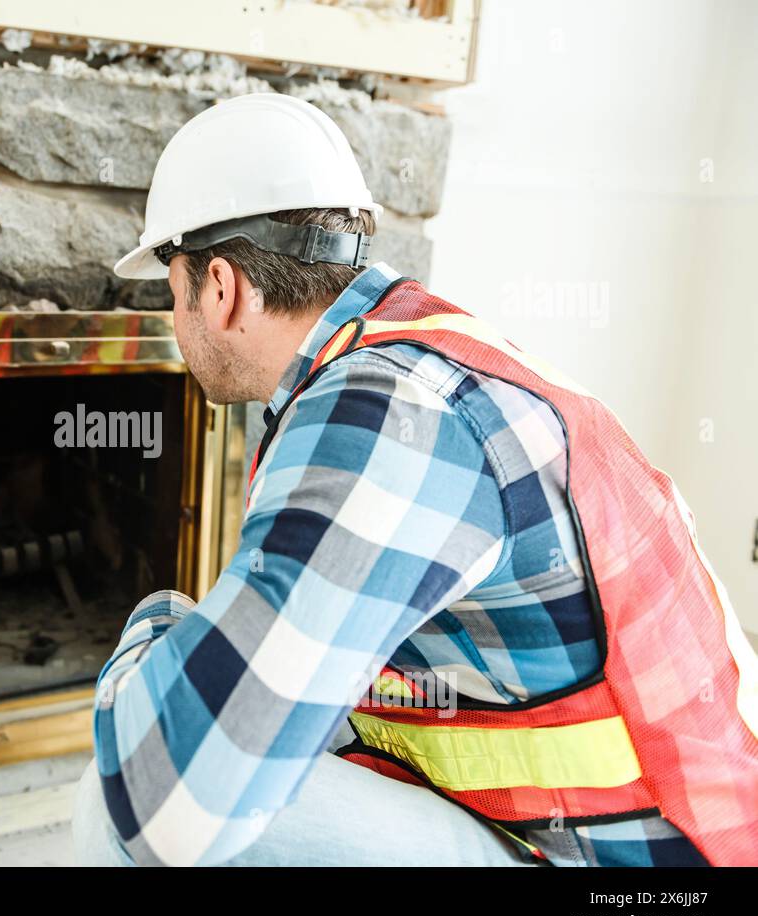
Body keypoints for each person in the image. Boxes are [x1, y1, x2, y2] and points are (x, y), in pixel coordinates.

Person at [72, 92, 758, 867]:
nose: (175, 317)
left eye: (172, 291)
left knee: (119, 791)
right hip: (639, 835)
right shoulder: (417, 351)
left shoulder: (384, 413)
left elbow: (171, 802)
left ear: (221, 287)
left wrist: (153, 631)